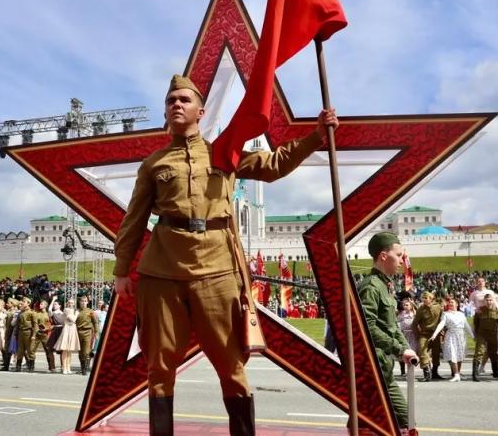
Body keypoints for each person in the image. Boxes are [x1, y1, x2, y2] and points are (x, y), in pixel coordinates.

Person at [112, 74, 337, 436]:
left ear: (201, 112)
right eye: (171, 100)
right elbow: (134, 219)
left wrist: (316, 137)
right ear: (165, 112)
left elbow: (273, 165)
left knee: (231, 364)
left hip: (217, 270)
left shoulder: (223, 152)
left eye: (184, 99)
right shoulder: (153, 164)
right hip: (162, 273)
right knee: (159, 366)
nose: (176, 104)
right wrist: (122, 270)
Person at [357, 232, 418, 431]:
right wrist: (399, 350)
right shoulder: (371, 286)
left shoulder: (384, 285)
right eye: (399, 255)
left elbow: (391, 327)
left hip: (383, 368)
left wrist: (406, 348)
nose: (402, 260)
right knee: (404, 422)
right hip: (373, 371)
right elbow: (367, 327)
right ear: (384, 256)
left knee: (367, 424)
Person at [429, 298, 474, 382]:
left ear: (457, 304)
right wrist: (435, 334)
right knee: (452, 354)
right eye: (449, 302)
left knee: (459, 355)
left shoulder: (461, 314)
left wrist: (472, 335)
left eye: (452, 302)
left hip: (460, 335)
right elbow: (441, 324)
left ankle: (458, 374)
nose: (450, 304)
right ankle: (456, 374)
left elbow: (466, 325)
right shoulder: (446, 314)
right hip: (451, 335)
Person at [472, 293, 498, 381]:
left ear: (493, 300)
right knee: (479, 352)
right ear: (484, 301)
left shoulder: (497, 311)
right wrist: (475, 334)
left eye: (490, 300)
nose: (489, 302)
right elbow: (476, 323)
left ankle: (496, 372)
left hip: (493, 334)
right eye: (487, 300)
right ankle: (475, 374)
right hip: (482, 334)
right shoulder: (480, 310)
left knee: (493, 353)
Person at [412, 291, 444, 381]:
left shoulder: (438, 307)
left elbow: (443, 320)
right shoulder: (421, 309)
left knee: (436, 353)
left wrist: (442, 332)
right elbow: (414, 323)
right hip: (424, 334)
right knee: (422, 352)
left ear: (431, 299)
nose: (424, 300)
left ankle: (435, 373)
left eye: (426, 298)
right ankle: (427, 373)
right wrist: (417, 335)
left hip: (435, 334)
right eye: (423, 298)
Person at [55, 299, 80, 375]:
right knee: (65, 350)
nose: (70, 304)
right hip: (67, 329)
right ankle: (64, 368)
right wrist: (76, 314)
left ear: (74, 304)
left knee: (70, 351)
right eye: (69, 302)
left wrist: (75, 313)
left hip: (72, 329)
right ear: (67, 303)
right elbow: (73, 320)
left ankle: (68, 368)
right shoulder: (66, 310)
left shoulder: (73, 310)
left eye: (72, 303)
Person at [75, 295, 98, 375]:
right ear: (79, 302)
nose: (83, 303)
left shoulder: (90, 311)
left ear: (87, 302)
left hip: (87, 332)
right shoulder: (77, 311)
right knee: (80, 352)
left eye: (85, 301)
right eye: (82, 301)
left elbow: (95, 322)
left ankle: (85, 369)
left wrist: (96, 332)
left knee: (86, 351)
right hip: (78, 332)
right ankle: (82, 368)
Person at [30, 299, 56, 372]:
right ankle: (31, 366)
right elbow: (35, 324)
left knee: (48, 351)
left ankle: (51, 367)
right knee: (32, 350)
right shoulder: (37, 314)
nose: (40, 305)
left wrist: (47, 328)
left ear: (45, 305)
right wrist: (34, 334)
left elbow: (53, 325)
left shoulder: (48, 314)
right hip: (37, 333)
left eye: (41, 304)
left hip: (46, 334)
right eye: (40, 304)